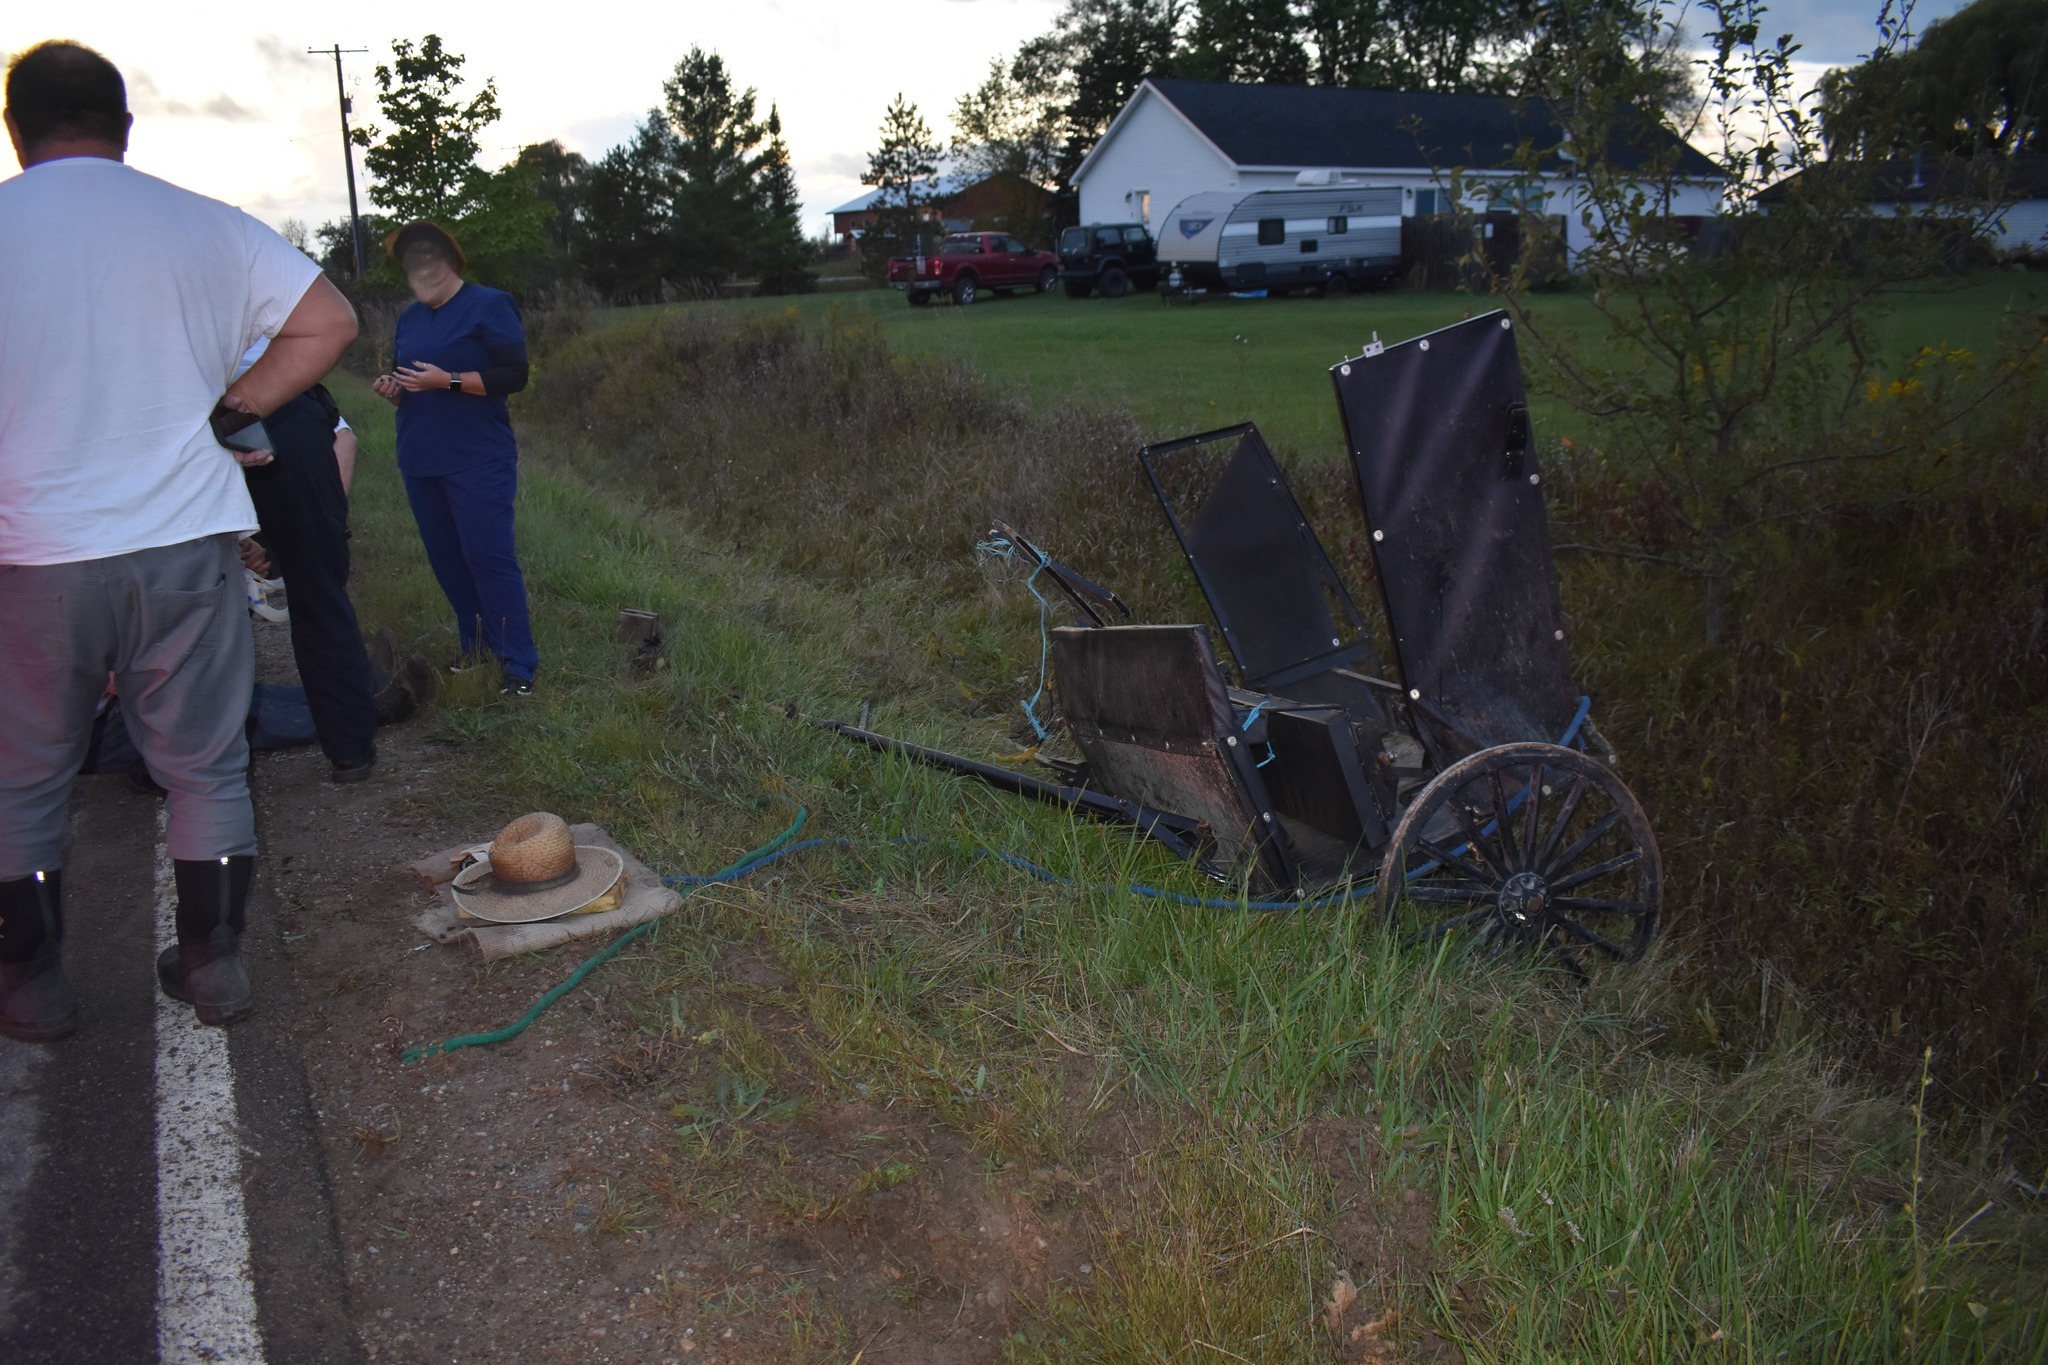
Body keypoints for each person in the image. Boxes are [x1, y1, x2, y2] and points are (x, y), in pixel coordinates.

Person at [0, 41, 358, 1040]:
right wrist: (232, 405)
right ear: (124, 126)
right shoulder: (202, 224)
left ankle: (29, 981)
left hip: (33, 551)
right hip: (185, 539)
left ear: (14, 128)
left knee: (23, 772)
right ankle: (213, 966)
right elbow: (327, 322)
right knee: (204, 764)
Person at [372, 221, 538, 696]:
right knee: (448, 561)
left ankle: (517, 664)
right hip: (421, 457)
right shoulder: (409, 318)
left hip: (477, 458)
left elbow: (514, 374)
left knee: (488, 558)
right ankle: (477, 646)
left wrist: (447, 381)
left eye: (428, 257)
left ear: (450, 259)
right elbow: (413, 380)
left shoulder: (489, 304)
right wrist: (396, 390)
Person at [233, 337, 380, 780]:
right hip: (276, 412)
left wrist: (292, 537)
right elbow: (342, 437)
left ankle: (187, 763)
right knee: (320, 597)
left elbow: (343, 438)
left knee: (196, 608)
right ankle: (350, 749)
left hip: (228, 409)